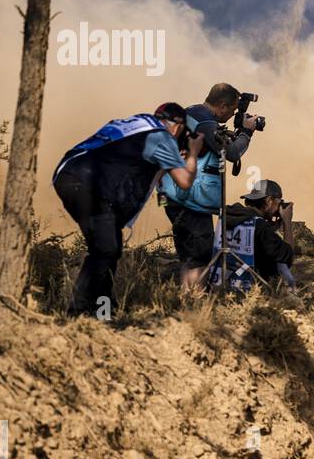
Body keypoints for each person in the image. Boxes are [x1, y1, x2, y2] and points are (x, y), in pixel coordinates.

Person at [52, 103, 203, 316]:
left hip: (68, 175)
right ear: (177, 127)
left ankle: (103, 311)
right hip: (90, 184)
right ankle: (78, 313)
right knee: (106, 249)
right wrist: (193, 153)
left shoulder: (136, 125)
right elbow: (185, 180)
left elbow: (148, 174)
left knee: (108, 248)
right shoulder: (162, 136)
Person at [159, 82, 262, 291]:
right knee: (200, 252)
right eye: (233, 110)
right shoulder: (205, 123)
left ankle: (186, 297)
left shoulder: (192, 114)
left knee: (189, 253)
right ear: (222, 105)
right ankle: (195, 301)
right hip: (191, 199)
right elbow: (232, 153)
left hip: (173, 195)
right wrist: (246, 133)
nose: (233, 115)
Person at [209, 179, 296, 291]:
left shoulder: (230, 215)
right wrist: (287, 221)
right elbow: (287, 255)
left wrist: (270, 225)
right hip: (249, 282)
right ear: (269, 201)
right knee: (281, 264)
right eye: (279, 202)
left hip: (224, 277)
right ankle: (287, 293)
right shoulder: (260, 225)